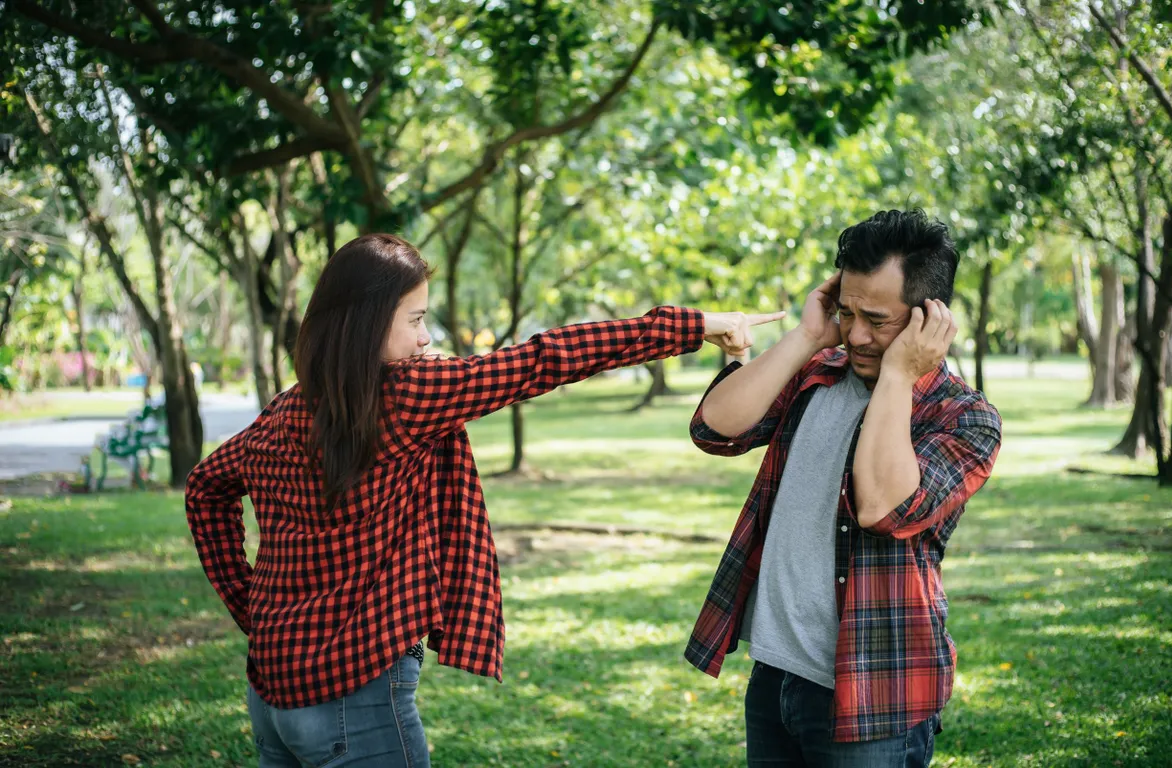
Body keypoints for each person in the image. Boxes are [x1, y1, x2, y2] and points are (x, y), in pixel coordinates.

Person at [184, 233, 781, 768]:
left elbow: (205, 489)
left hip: (271, 696)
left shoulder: (286, 411)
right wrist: (695, 326)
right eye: (416, 319)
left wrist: (252, 606)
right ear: (368, 322)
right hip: (353, 696)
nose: (425, 337)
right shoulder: (407, 396)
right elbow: (546, 359)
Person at [685, 210, 1002, 767]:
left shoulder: (965, 418)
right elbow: (716, 428)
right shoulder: (817, 373)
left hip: (875, 694)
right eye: (847, 312)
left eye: (876, 320)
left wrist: (900, 373)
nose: (855, 335)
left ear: (930, 320)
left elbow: (882, 507)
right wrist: (808, 335)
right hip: (776, 674)